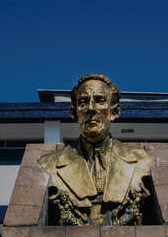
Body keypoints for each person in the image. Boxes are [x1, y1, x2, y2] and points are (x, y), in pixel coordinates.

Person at [39, 74, 156, 226]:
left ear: (114, 112)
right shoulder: (48, 164)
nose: (91, 109)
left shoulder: (144, 162)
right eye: (83, 102)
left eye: (100, 101)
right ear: (74, 114)